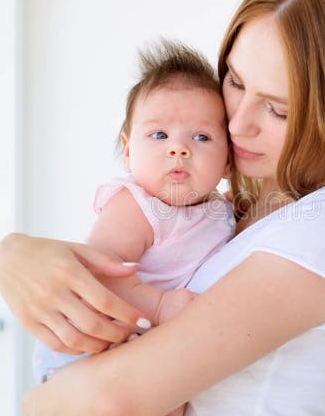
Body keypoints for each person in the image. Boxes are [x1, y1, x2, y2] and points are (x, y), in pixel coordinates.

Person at [0, 0, 325, 415]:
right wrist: (12, 255)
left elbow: (109, 401)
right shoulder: (240, 210)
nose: (237, 122)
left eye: (279, 111)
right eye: (234, 81)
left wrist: (35, 402)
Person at [31, 39, 235, 397]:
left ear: (228, 161)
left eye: (201, 137)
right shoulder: (134, 206)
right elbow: (100, 276)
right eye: (159, 135)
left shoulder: (218, 208)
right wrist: (159, 305)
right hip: (86, 348)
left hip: (142, 351)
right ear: (128, 151)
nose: (178, 148)